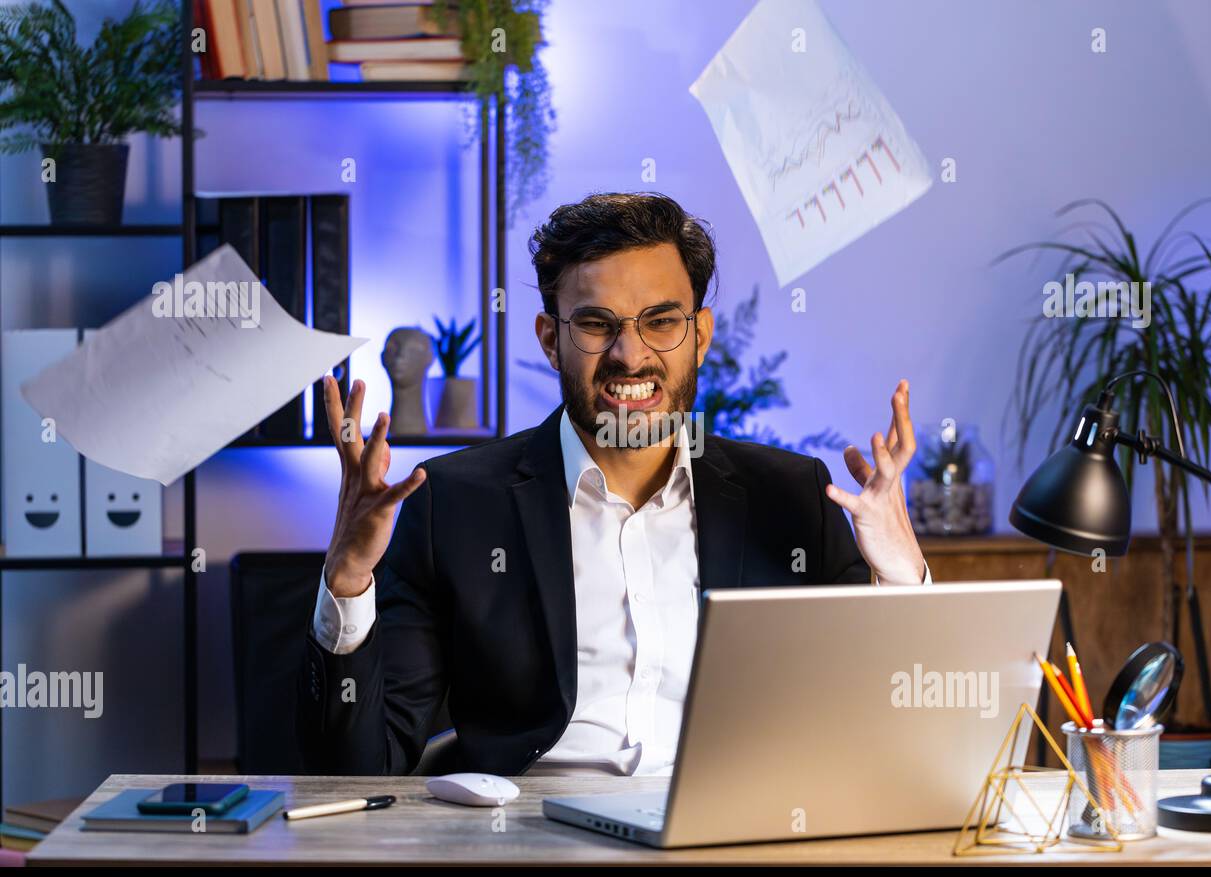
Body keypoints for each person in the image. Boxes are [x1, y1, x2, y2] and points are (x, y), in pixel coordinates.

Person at [298, 192, 929, 776]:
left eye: (661, 321)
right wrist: (348, 577)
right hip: (533, 844)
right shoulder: (454, 503)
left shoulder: (794, 497)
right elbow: (357, 769)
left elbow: (895, 737)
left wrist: (903, 577)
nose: (631, 355)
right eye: (598, 324)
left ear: (700, 335)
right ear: (552, 341)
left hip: (736, 834)